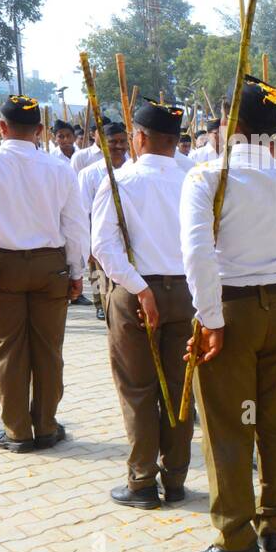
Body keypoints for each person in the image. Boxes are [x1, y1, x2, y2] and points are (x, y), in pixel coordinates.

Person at [177, 75, 276, 552]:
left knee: (229, 427)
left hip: (232, 314)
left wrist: (211, 319)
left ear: (230, 124)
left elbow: (196, 254)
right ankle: (273, 527)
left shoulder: (207, 178)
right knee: (273, 424)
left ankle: (235, 536)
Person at [0, 95, 89, 452]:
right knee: (48, 349)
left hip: (2, 264)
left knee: (8, 349)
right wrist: (76, 269)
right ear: (40, 131)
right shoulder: (59, 168)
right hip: (50, 265)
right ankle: (45, 425)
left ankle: (18, 431)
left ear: (2, 128)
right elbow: (75, 224)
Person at [91, 98, 194, 509]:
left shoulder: (123, 181)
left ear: (140, 137)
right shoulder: (195, 178)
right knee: (179, 387)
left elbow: (103, 246)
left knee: (138, 389)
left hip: (137, 294)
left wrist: (140, 288)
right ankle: (177, 477)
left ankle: (143, 481)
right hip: (186, 293)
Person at [78, 123, 129, 319]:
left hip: (130, 236)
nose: (118, 146)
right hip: (101, 234)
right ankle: (101, 304)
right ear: (102, 143)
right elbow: (83, 210)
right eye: (113, 142)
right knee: (100, 275)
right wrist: (88, 242)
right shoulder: (89, 173)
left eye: (122, 141)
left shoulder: (135, 167)